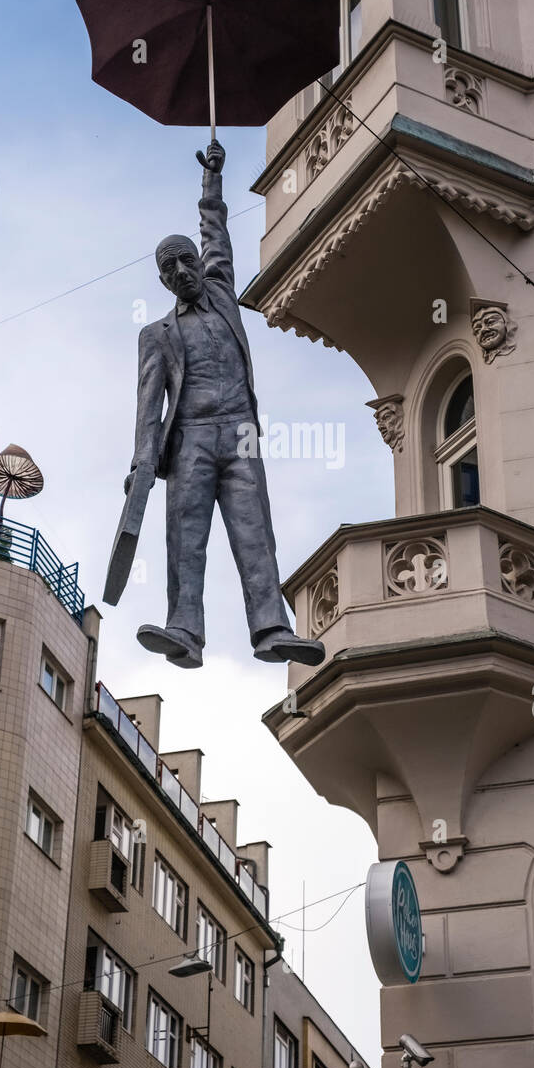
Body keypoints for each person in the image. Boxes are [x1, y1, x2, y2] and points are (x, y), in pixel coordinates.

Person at [107, 139, 325, 671]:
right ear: (162, 279)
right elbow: (146, 406)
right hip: (189, 439)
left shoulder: (223, 290)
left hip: (241, 430)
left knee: (255, 531)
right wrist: (141, 462)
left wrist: (212, 182)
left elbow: (216, 232)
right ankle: (185, 630)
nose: (181, 268)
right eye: (169, 266)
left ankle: (272, 628)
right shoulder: (155, 335)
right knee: (186, 537)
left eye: (186, 259)